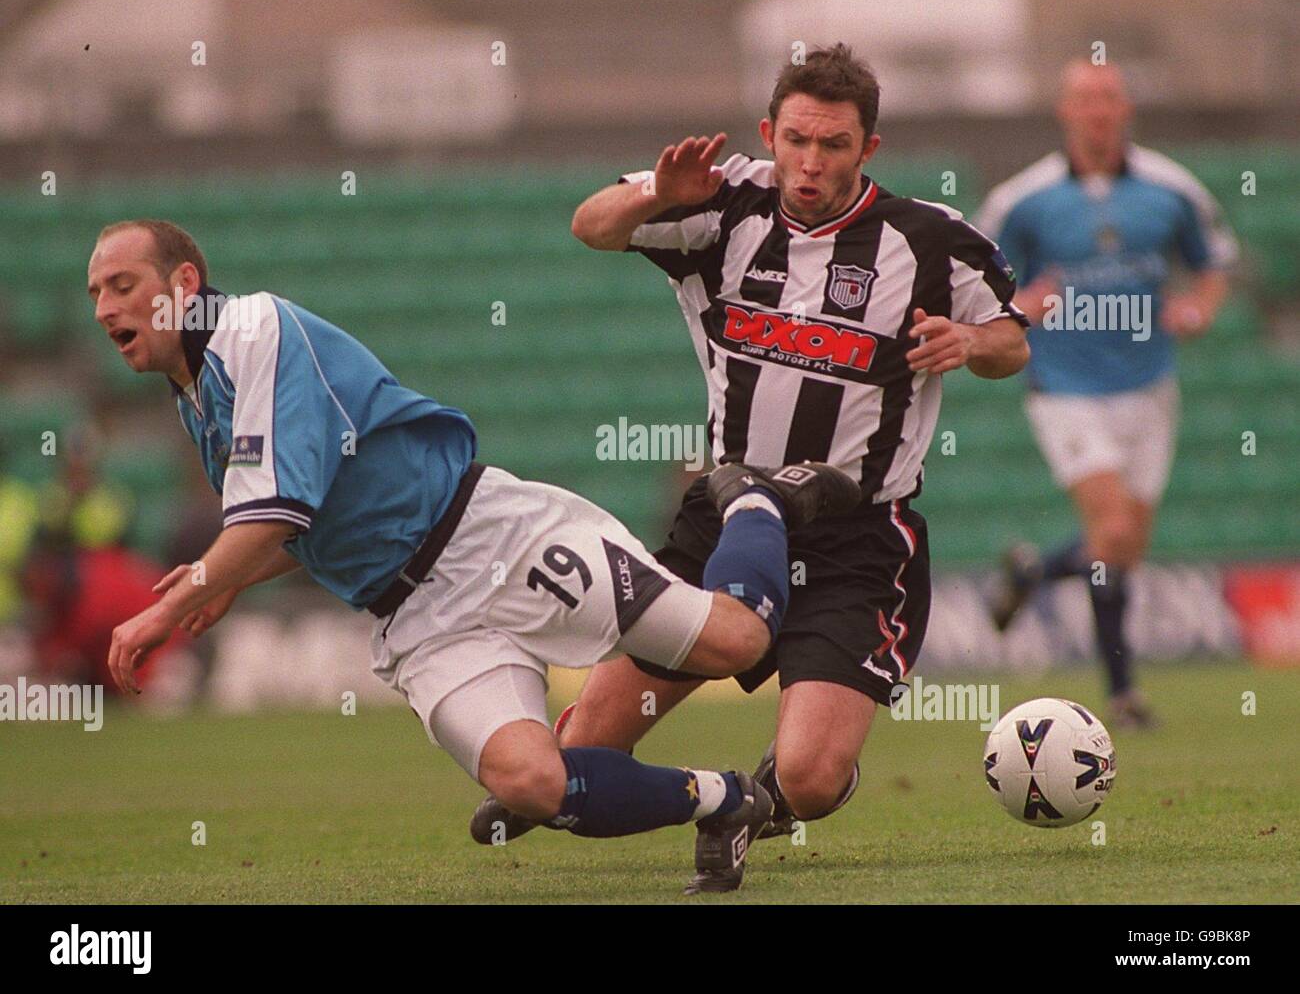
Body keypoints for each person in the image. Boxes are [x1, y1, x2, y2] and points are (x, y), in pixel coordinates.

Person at [89, 218, 863, 872]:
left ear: (184, 281)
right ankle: (729, 798)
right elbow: (305, 520)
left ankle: (757, 495)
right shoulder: (196, 395)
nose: (103, 306)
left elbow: (275, 515)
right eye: (95, 292)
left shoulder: (251, 331)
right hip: (419, 617)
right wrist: (233, 578)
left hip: (494, 537)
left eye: (122, 284)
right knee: (531, 782)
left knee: (738, 639)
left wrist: (177, 600)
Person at [471, 44, 1031, 893]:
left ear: (868, 148)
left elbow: (1011, 342)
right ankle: (693, 793)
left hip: (856, 539)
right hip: (725, 521)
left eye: (835, 145)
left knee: (812, 776)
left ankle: (766, 794)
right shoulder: (723, 203)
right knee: (579, 762)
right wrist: (660, 191)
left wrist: (969, 342)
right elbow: (590, 225)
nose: (810, 163)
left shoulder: (929, 240)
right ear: (770, 132)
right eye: (796, 140)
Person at [975, 61, 1236, 728]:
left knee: (1120, 549)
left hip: (1150, 387)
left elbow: (1212, 264)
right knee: (1112, 529)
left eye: (1109, 98)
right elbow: (972, 276)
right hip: (1065, 386)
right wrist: (1020, 304)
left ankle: (1033, 573)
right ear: (1064, 111)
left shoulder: (1170, 189)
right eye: (1084, 99)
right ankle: (1122, 694)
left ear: (1127, 109)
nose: (1097, 110)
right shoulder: (1023, 199)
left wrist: (1199, 309)